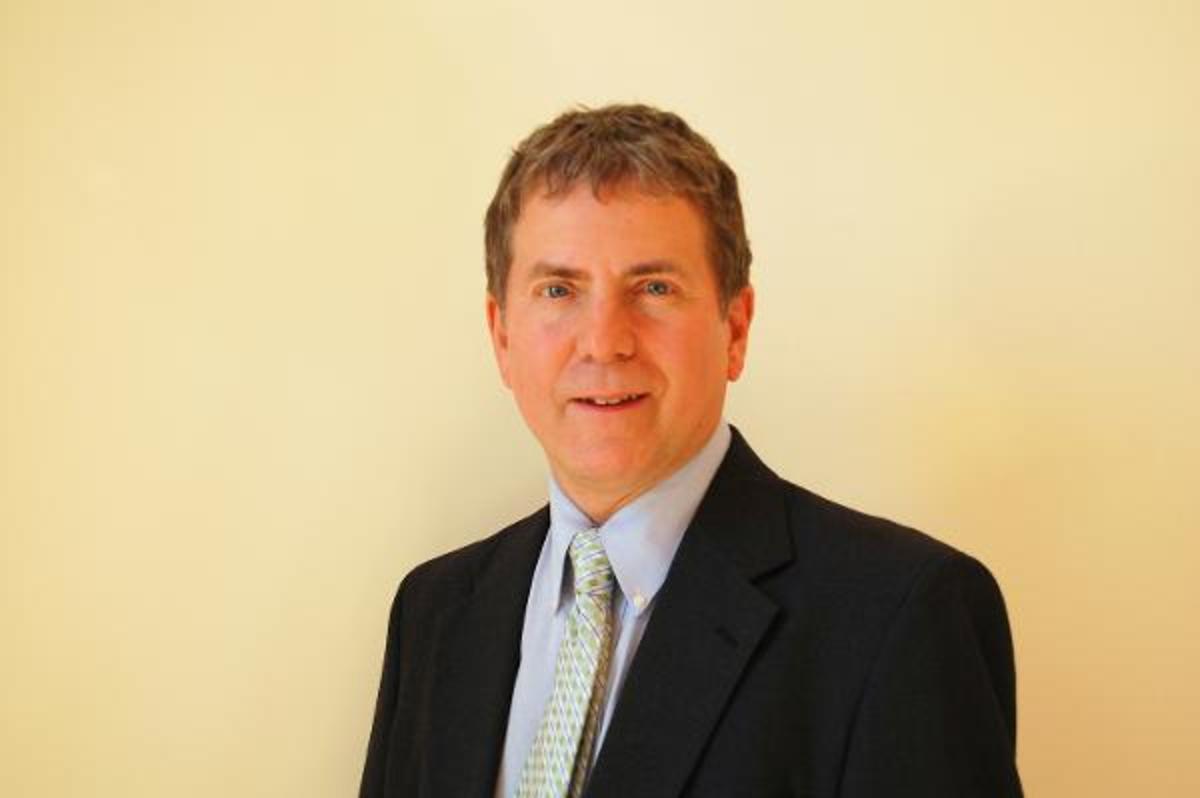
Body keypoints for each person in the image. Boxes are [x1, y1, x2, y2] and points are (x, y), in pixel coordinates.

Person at [358, 104, 1023, 797]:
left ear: (735, 328)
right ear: (502, 336)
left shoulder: (899, 615)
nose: (604, 342)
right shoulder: (434, 615)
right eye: (558, 290)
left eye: (654, 288)